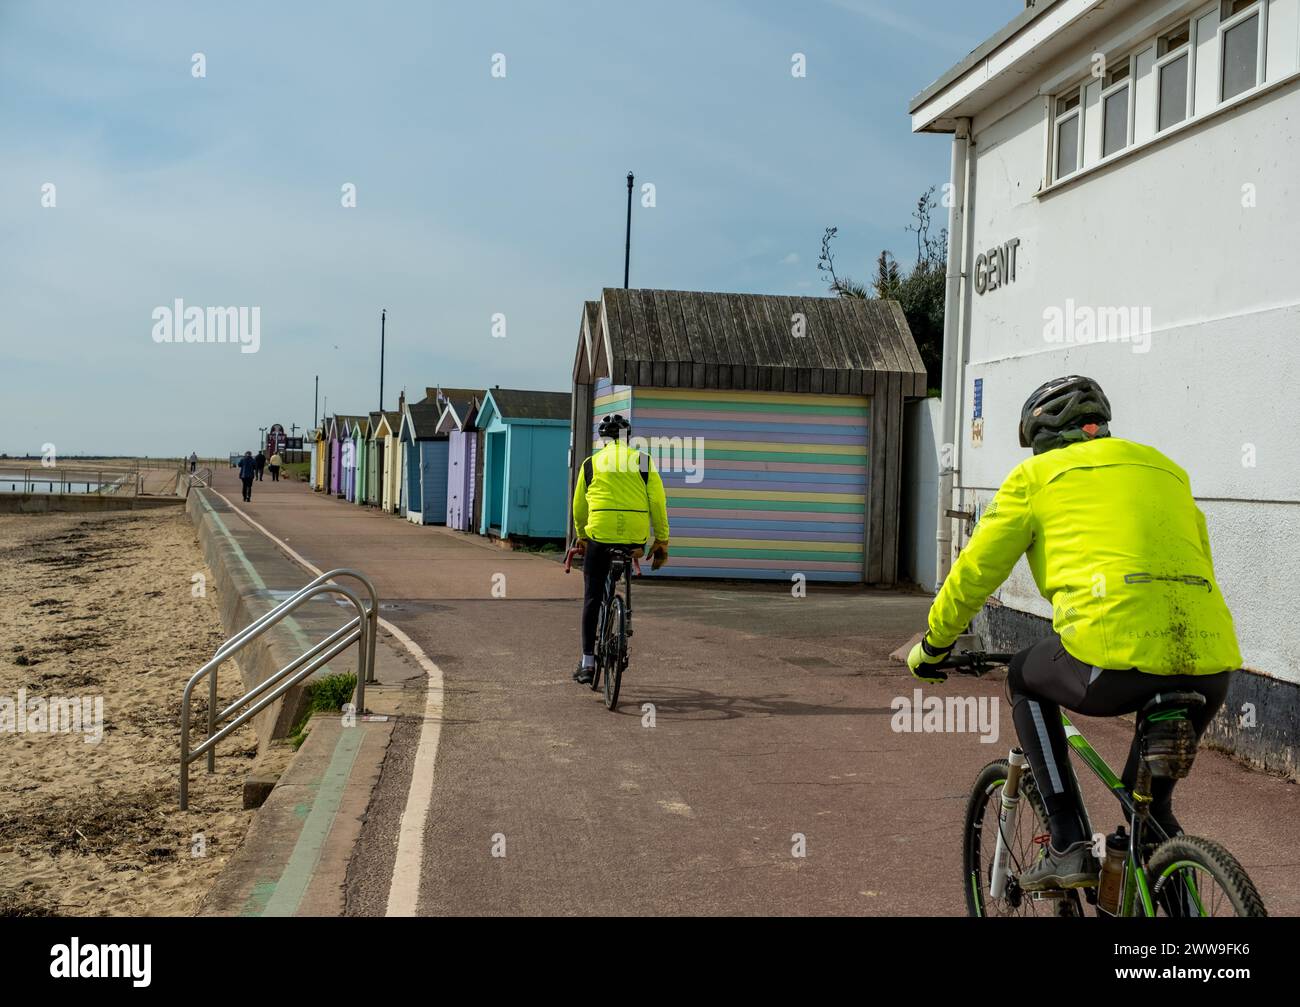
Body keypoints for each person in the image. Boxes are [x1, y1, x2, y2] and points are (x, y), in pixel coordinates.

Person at [907, 375, 1240, 891]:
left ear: (1040, 439)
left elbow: (975, 570)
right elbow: (1200, 562)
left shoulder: (1036, 476)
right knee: (1147, 811)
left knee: (1023, 676)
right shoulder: (1167, 470)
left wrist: (934, 643)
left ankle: (1067, 843)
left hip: (1112, 662)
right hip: (1211, 664)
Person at [571, 414, 670, 685]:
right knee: (620, 573)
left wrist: (582, 535)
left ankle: (588, 662)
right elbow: (658, 504)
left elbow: (579, 506)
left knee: (592, 595)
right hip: (634, 538)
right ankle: (623, 617)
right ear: (628, 438)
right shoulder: (643, 462)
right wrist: (661, 540)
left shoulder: (590, 464)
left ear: (603, 439)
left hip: (599, 535)